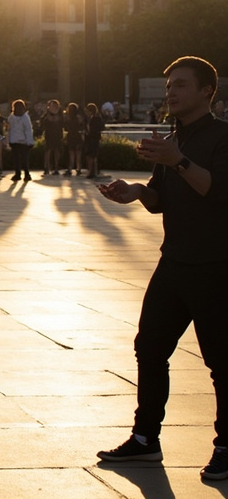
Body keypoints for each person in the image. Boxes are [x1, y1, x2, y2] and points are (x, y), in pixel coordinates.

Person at [96, 56, 228, 482]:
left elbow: (216, 189)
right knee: (149, 348)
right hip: (174, 262)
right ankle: (145, 439)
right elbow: (160, 198)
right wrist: (133, 191)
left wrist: (178, 161)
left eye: (181, 85)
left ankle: (226, 445)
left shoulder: (221, 137)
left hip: (216, 266)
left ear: (208, 91)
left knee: (221, 362)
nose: (171, 91)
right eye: (169, 85)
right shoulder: (173, 139)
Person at [7, 99, 34, 182]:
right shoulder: (11, 117)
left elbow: (28, 129)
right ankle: (18, 173)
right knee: (17, 159)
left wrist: (29, 141)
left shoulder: (25, 117)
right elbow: (10, 129)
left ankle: (26, 174)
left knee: (24, 159)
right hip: (15, 141)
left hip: (23, 141)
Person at [84, 102, 104, 178]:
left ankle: (91, 171)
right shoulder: (90, 118)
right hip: (91, 138)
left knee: (91, 156)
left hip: (93, 138)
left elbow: (97, 128)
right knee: (91, 155)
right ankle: (92, 170)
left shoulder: (96, 119)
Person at [64, 101, 84, 176]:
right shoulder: (79, 118)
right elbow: (82, 126)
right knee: (78, 153)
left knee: (71, 153)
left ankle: (70, 168)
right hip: (77, 135)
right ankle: (78, 168)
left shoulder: (68, 118)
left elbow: (66, 127)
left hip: (71, 135)